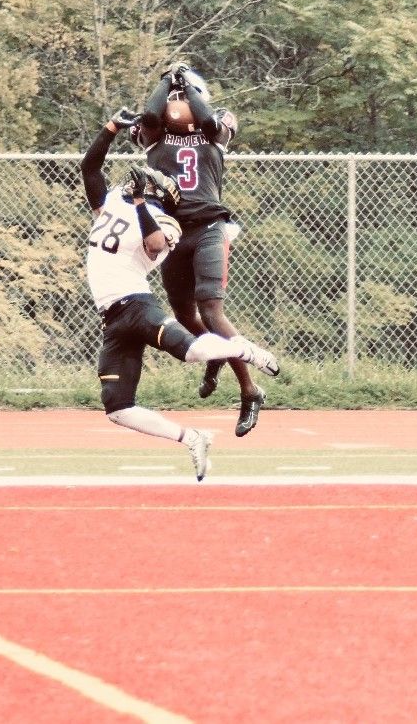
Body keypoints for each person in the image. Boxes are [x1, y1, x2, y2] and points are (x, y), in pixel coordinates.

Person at [79, 112, 278, 481]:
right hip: (112, 318)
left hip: (137, 306)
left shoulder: (166, 222)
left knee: (193, 352)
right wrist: (109, 130)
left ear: (158, 194)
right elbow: (89, 167)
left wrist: (141, 204)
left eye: (148, 183)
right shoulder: (111, 203)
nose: (140, 181)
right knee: (118, 408)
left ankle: (246, 350)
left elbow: (154, 244)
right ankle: (192, 439)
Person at [137, 63, 277, 438]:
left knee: (211, 311)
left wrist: (185, 85)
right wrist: (168, 80)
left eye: (184, 96)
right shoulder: (154, 133)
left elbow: (209, 122)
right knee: (185, 314)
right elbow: (150, 114)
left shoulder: (216, 126)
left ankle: (250, 390)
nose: (178, 103)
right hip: (173, 232)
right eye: (174, 99)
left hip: (211, 228)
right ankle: (215, 355)